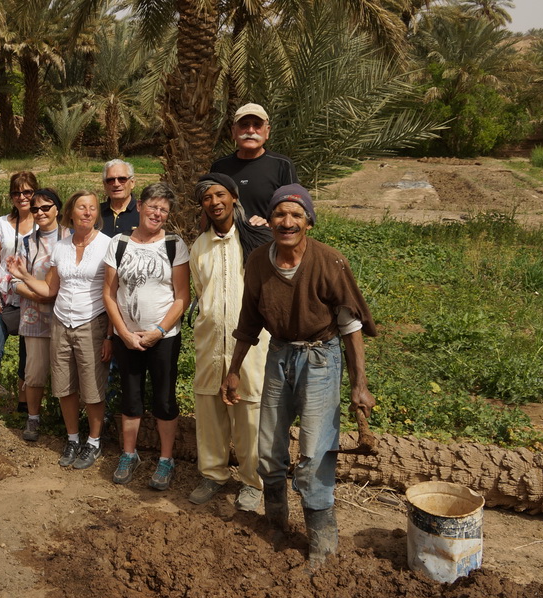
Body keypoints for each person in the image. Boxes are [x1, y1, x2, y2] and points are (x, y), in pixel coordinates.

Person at [222, 184, 377, 569]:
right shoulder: (259, 261)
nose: (287, 222)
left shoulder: (329, 262)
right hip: (278, 354)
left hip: (320, 358)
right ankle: (275, 526)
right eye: (279, 214)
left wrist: (360, 384)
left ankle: (322, 546)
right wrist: (234, 370)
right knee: (270, 449)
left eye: (296, 215)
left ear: (309, 221)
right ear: (270, 219)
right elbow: (249, 320)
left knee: (315, 451)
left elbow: (351, 324)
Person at [187, 173, 272, 510]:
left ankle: (253, 483)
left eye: (220, 194)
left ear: (234, 197)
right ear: (203, 206)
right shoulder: (199, 247)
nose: (215, 202)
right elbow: (199, 292)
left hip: (250, 346)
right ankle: (213, 474)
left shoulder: (256, 239)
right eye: (207, 198)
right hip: (210, 342)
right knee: (209, 410)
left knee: (250, 412)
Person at [9, 191, 112, 469]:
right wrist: (25, 276)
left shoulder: (107, 245)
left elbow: (114, 293)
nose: (87, 212)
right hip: (61, 323)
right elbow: (51, 289)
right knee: (64, 386)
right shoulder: (61, 247)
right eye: (81, 208)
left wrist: (110, 335)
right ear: (71, 213)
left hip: (92, 322)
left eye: (92, 208)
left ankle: (93, 442)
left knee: (92, 388)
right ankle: (73, 438)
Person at [102, 183, 190, 490]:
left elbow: (182, 297)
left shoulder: (174, 245)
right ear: (139, 206)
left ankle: (166, 460)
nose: (158, 213)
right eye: (153, 206)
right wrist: (123, 333)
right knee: (131, 397)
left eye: (164, 210)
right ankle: (129, 454)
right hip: (127, 337)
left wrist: (159, 331)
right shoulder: (119, 243)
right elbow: (109, 294)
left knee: (164, 399)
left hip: (164, 337)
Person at [0, 172, 37, 438]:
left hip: (32, 300)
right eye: (17, 193)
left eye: (27, 192)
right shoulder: (2, 223)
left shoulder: (46, 223)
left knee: (29, 357)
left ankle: (24, 408)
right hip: (3, 299)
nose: (22, 198)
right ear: (11, 196)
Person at [11, 189, 68, 442]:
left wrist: (50, 294)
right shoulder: (26, 242)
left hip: (66, 315)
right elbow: (14, 281)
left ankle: (69, 423)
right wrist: (41, 295)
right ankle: (33, 418)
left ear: (58, 209)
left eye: (46, 207)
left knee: (69, 371)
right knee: (34, 372)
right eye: (35, 209)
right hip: (35, 317)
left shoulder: (72, 238)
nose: (40, 213)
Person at [209, 103, 298, 225]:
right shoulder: (219, 167)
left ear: (267, 131)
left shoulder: (282, 165)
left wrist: (270, 224)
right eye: (244, 125)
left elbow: (295, 209)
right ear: (234, 131)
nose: (251, 130)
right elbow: (209, 210)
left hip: (268, 240)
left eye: (257, 125)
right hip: (227, 241)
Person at [99, 159, 138, 237]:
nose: (116, 184)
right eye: (110, 180)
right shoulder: (95, 212)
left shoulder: (144, 213)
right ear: (105, 185)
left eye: (122, 179)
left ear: (132, 183)